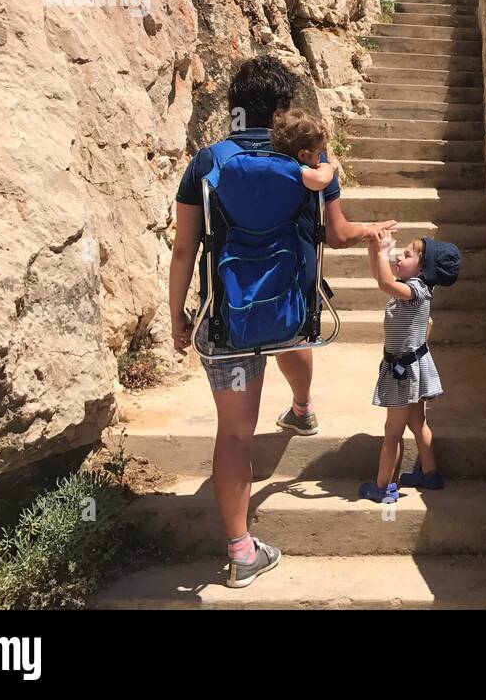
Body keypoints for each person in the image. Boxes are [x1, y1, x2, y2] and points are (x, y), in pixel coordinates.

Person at [168, 56, 395, 587]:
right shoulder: (308, 158)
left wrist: (177, 315)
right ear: (281, 109)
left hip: (226, 321)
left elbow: (184, 248)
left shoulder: (206, 163)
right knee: (290, 342)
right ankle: (302, 407)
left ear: (236, 108)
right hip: (289, 310)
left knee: (235, 435)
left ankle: (241, 551)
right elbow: (336, 235)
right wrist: (369, 234)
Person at [358, 229, 460, 504]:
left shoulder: (414, 291)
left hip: (402, 372)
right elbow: (381, 278)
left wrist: (381, 251)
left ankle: (382, 486)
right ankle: (429, 473)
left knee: (392, 432)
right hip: (414, 367)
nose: (399, 257)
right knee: (417, 422)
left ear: (423, 268)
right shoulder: (417, 288)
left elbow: (384, 282)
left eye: (407, 254)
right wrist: (374, 248)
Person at [270, 108, 336, 192]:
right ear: (303, 155)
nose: (320, 158)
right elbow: (321, 179)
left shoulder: (274, 163)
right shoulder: (298, 170)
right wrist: (327, 167)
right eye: (318, 154)